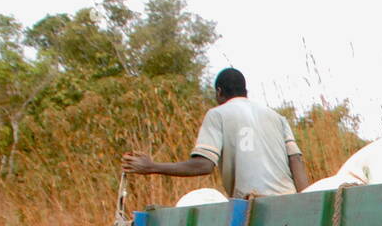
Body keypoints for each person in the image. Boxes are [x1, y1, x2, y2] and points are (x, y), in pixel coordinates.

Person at [121, 67, 309, 198]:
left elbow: (204, 165)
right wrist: (307, 202)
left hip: (253, 205)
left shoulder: (218, 114)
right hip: (288, 199)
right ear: (246, 91)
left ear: (219, 92)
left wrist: (152, 167)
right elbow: (296, 161)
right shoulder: (276, 117)